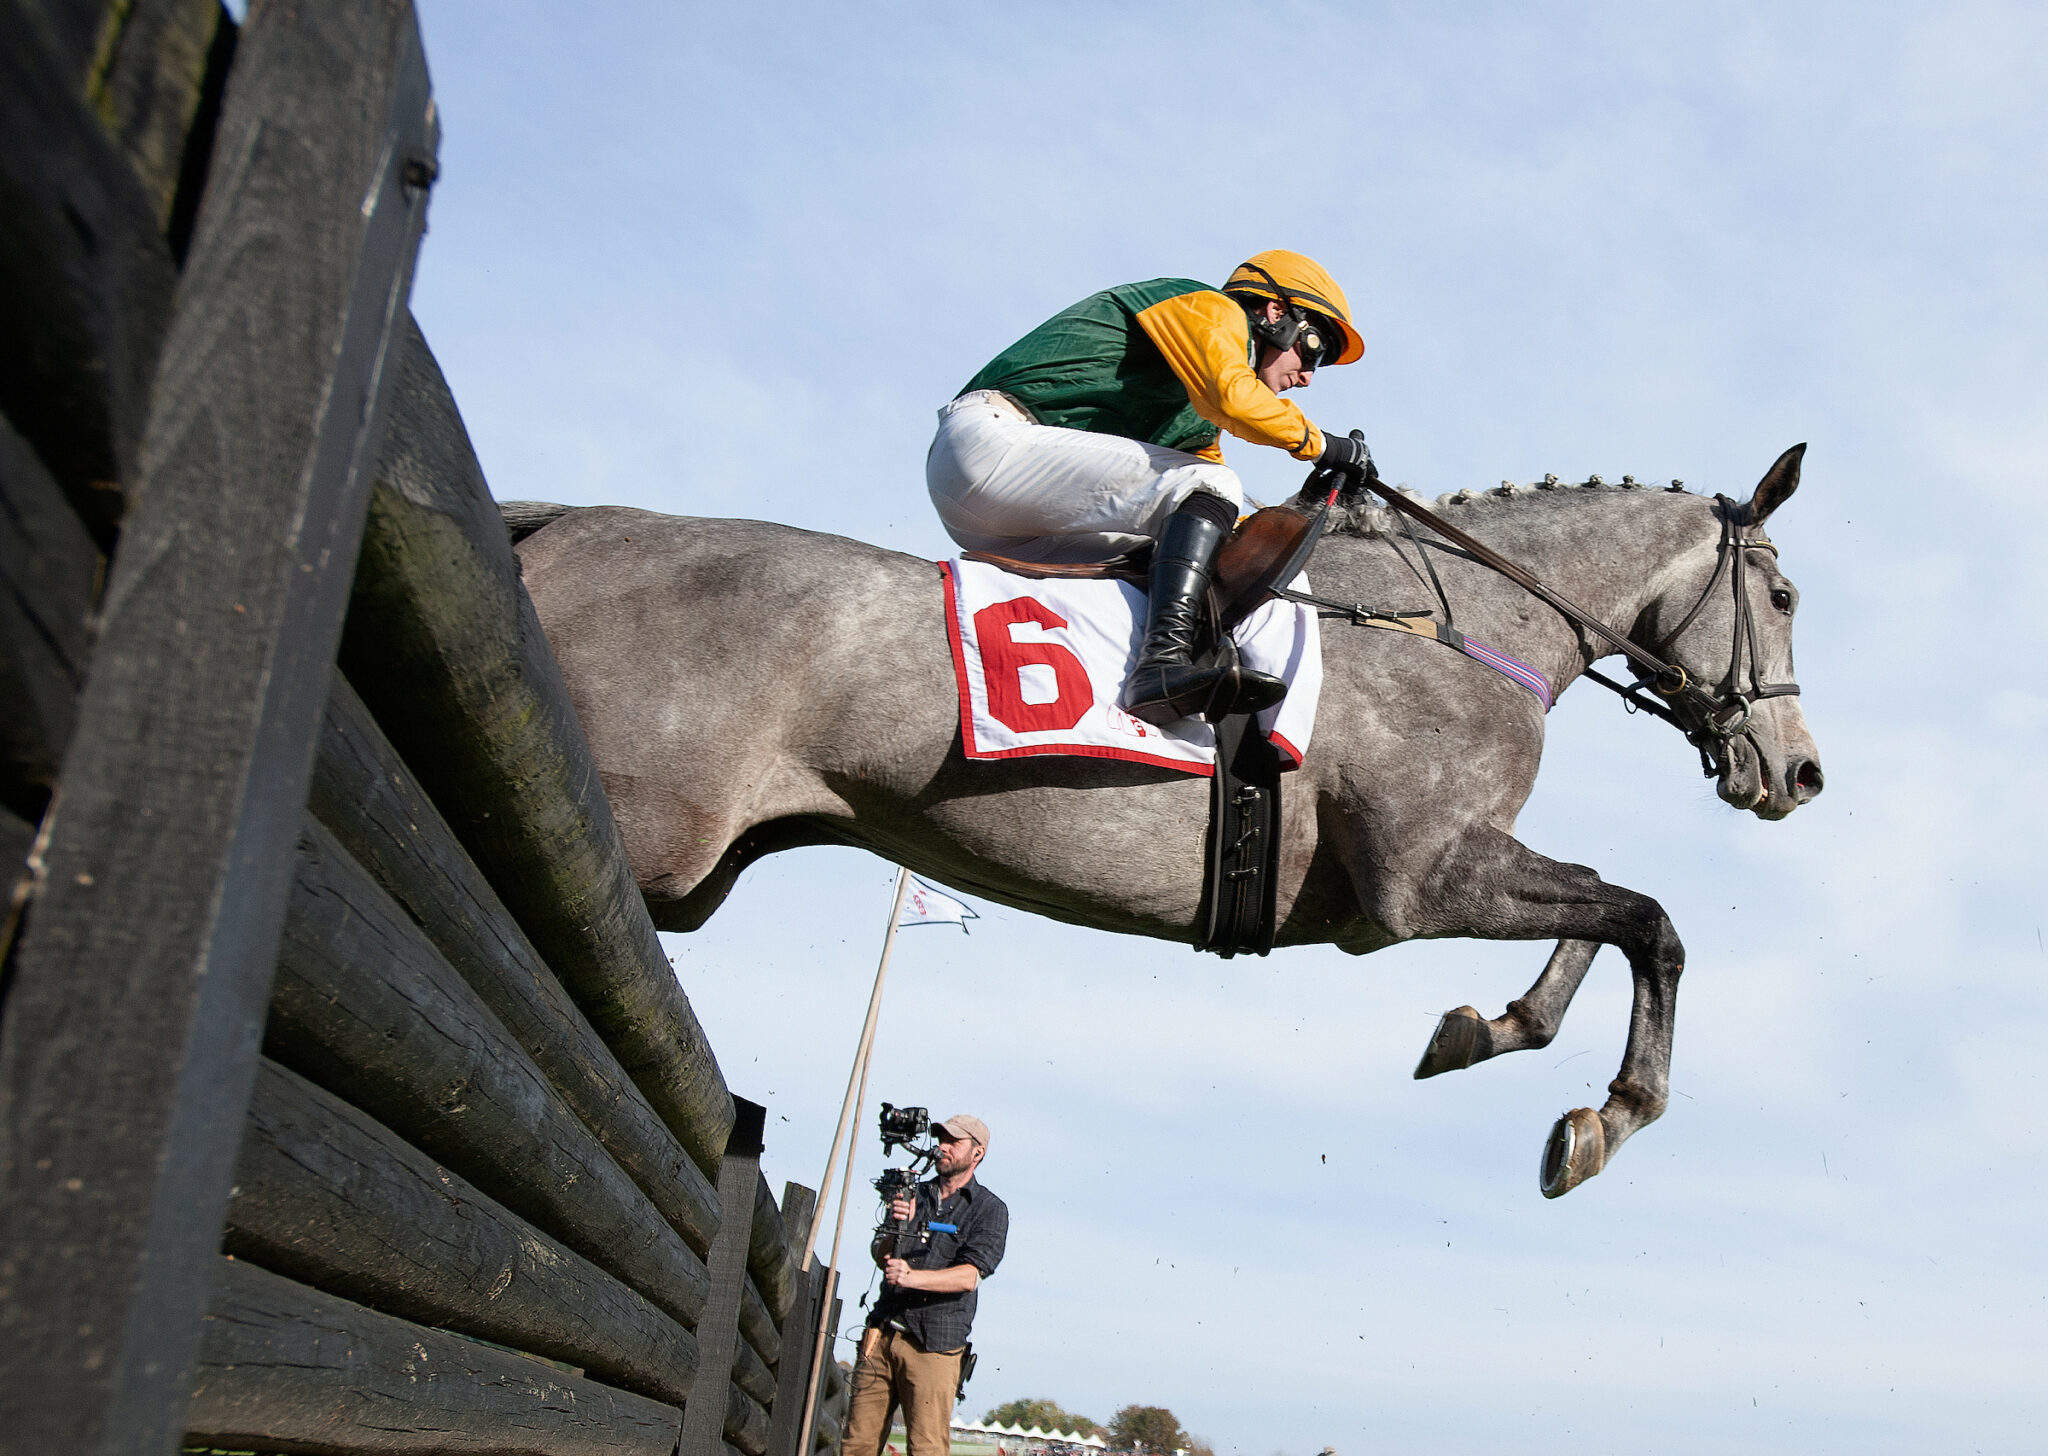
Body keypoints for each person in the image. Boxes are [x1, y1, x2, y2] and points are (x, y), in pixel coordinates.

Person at [927, 250, 1370, 725]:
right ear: (1277, 314)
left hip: (1006, 516)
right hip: (990, 444)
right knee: (1215, 482)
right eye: (1314, 350)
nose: (1306, 377)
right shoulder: (1208, 308)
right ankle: (1160, 666)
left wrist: (1307, 504)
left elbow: (1216, 521)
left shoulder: (1194, 422)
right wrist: (1321, 444)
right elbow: (1232, 399)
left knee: (1183, 548)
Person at [842, 1114, 1010, 1456]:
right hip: (882, 1334)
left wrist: (912, 1277)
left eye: (953, 1141)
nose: (942, 1147)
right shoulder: (913, 1193)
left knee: (926, 1448)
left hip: (933, 1345)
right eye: (941, 1138)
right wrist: (896, 1224)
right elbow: (881, 1255)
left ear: (977, 1153)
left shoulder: (990, 1209)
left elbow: (971, 1275)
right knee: (857, 1444)